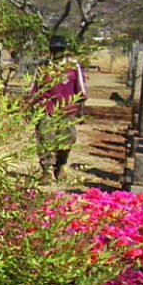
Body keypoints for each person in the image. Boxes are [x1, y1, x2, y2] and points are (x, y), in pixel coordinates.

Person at [29, 36, 88, 180]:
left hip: (67, 110)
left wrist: (80, 110)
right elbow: (34, 88)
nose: (57, 52)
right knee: (45, 139)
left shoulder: (73, 67)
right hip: (46, 109)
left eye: (60, 49)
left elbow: (81, 89)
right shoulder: (43, 67)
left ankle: (61, 164)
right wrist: (33, 107)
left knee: (68, 139)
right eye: (54, 50)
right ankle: (47, 170)